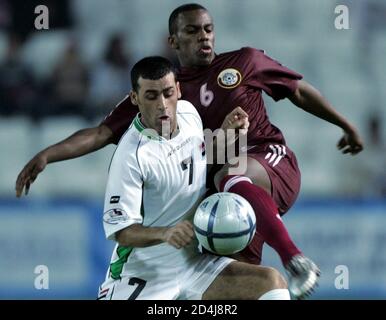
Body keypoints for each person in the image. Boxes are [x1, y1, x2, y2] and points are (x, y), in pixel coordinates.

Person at [16, 3, 363, 298]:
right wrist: (48, 154)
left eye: (209, 29)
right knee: (263, 284)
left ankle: (294, 258)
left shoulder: (238, 67)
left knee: (230, 173)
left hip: (269, 162)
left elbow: (297, 91)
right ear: (173, 40)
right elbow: (101, 133)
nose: (204, 37)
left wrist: (344, 123)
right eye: (194, 31)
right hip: (206, 217)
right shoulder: (157, 111)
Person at [98, 55, 290, 300]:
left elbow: (196, 160)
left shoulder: (189, 114)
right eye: (151, 96)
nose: (162, 104)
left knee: (271, 284)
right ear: (135, 98)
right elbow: (122, 231)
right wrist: (164, 233)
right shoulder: (131, 156)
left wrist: (225, 134)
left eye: (168, 93)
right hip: (145, 276)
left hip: (194, 266)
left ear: (178, 90)